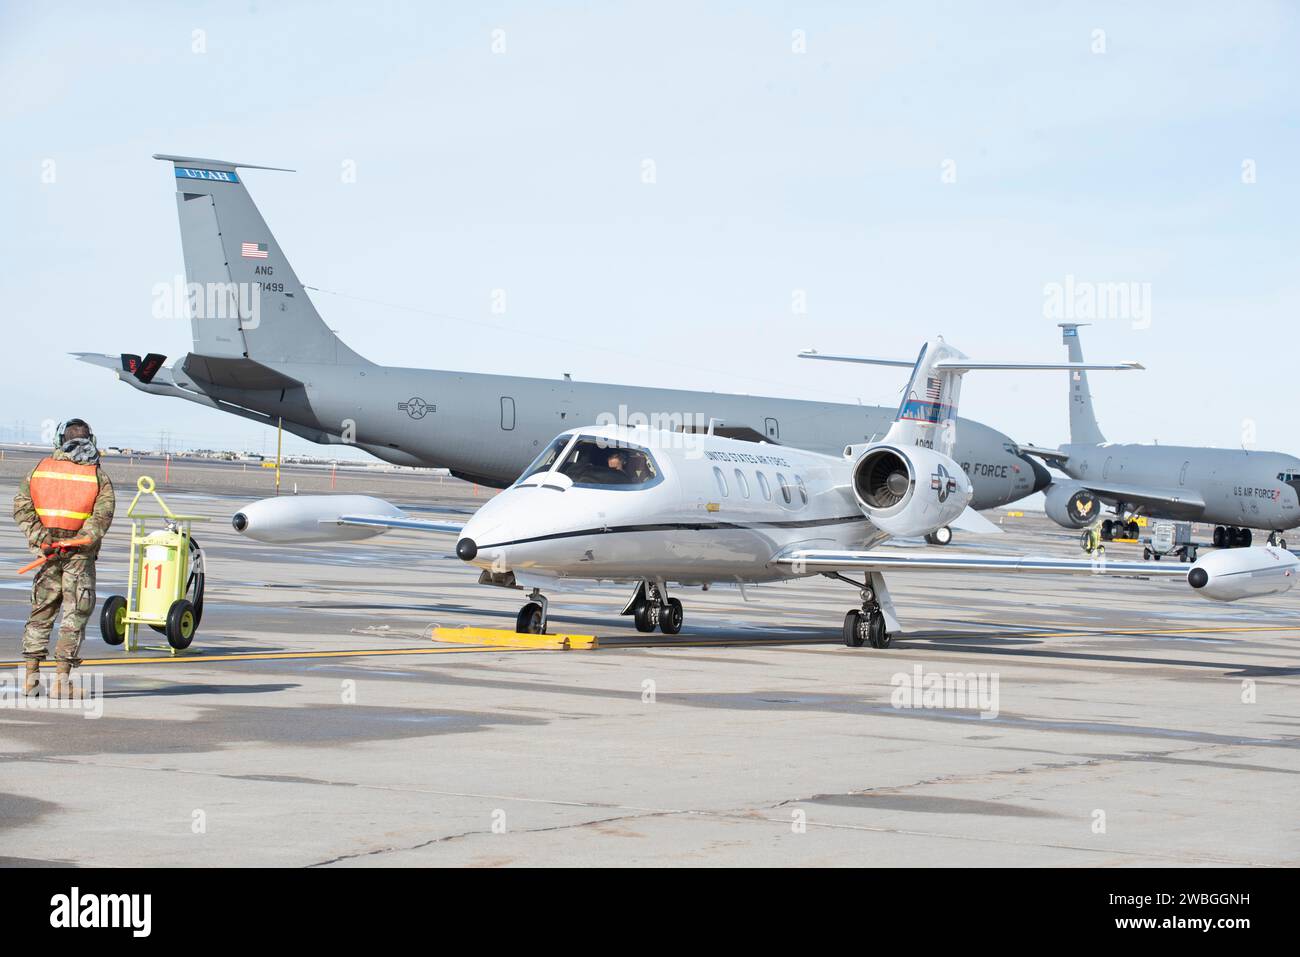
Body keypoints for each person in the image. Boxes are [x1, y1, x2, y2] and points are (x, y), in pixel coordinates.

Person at [12, 419, 116, 697]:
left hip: (48, 555)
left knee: (41, 613)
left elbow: (22, 508)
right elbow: (101, 520)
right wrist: (76, 540)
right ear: (91, 440)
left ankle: (30, 679)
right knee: (74, 615)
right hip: (78, 558)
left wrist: (42, 540)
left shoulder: (40, 469)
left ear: (60, 441)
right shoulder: (97, 476)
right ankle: (61, 682)